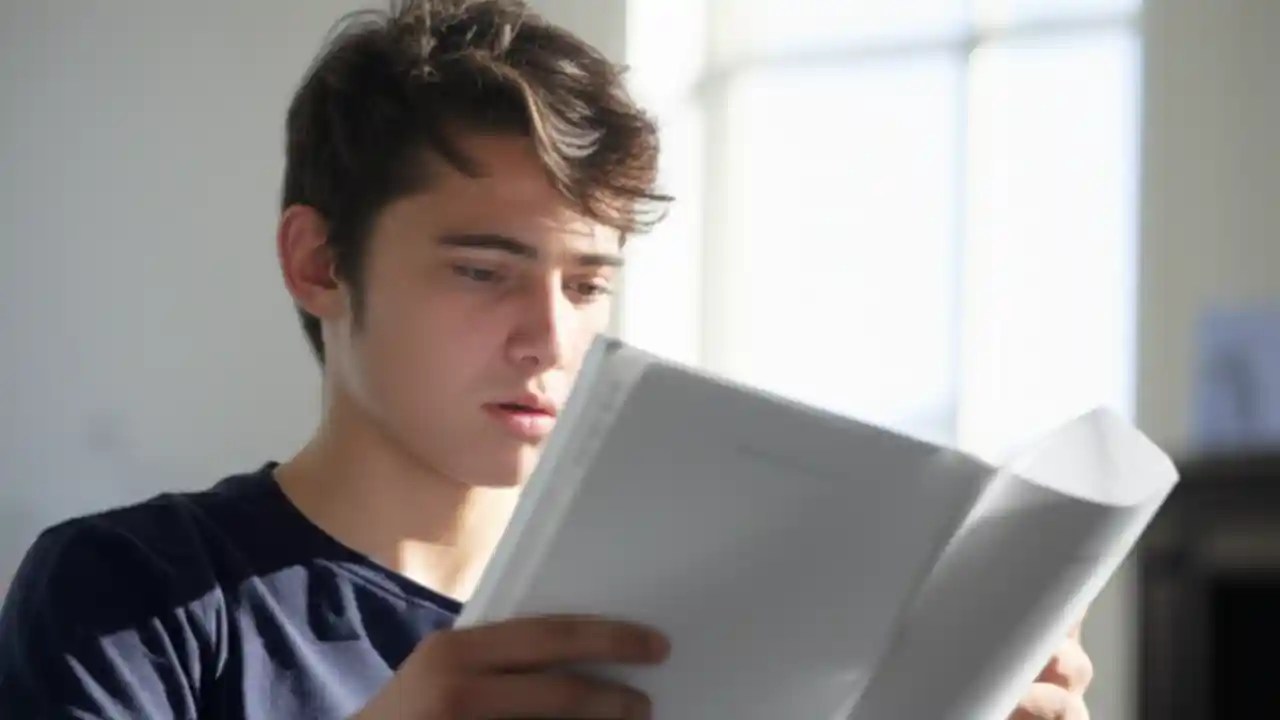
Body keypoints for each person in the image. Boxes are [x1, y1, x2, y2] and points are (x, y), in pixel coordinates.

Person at [0, 1, 1094, 717]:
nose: (551, 337)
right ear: (319, 263)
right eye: (483, 270)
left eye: (585, 283)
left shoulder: (697, 619)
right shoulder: (131, 597)